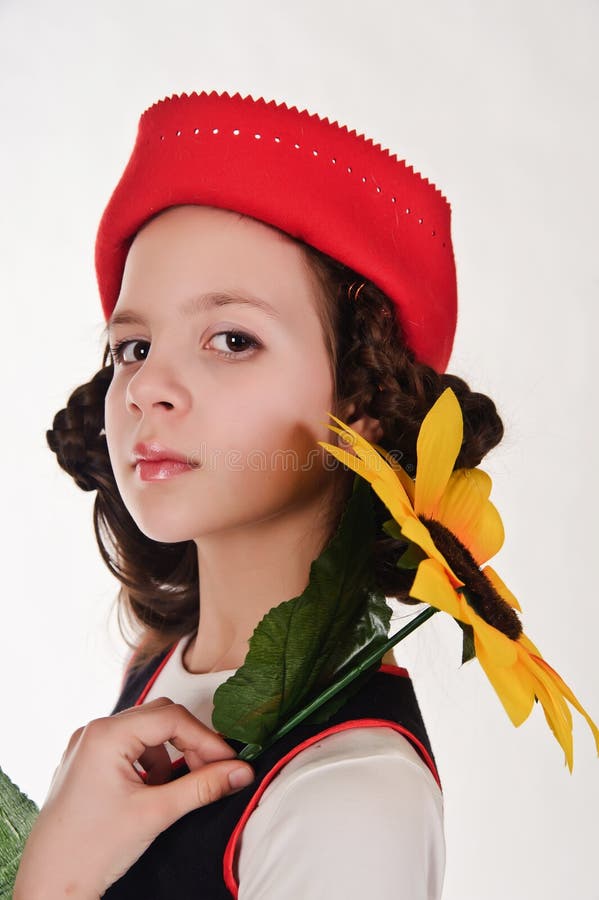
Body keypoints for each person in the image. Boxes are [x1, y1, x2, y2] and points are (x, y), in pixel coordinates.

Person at [13, 90, 504, 899]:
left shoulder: (348, 802)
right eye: (131, 345)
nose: (146, 388)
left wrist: (51, 886)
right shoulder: (160, 665)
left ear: (361, 397)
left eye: (232, 339)